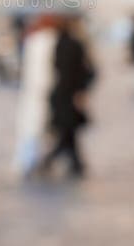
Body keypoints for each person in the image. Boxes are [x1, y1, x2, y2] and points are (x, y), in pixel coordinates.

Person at [39, 16, 96, 179]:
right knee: (67, 132)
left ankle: (74, 163)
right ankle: (62, 162)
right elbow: (86, 71)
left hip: (61, 94)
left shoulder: (59, 45)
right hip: (69, 95)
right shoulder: (76, 45)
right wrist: (81, 90)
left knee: (68, 132)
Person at [13, 14, 59, 177]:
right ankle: (34, 160)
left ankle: (29, 160)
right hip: (43, 91)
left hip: (33, 91)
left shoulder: (33, 41)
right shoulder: (50, 41)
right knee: (39, 128)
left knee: (31, 128)